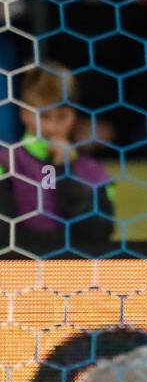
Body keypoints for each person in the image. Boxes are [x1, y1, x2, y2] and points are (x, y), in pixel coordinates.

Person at [0, 63, 115, 254]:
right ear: (24, 113)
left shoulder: (94, 171)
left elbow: (100, 234)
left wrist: (64, 170)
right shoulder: (6, 163)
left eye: (62, 116)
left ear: (74, 115)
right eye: (44, 116)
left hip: (74, 274)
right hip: (19, 273)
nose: (52, 127)